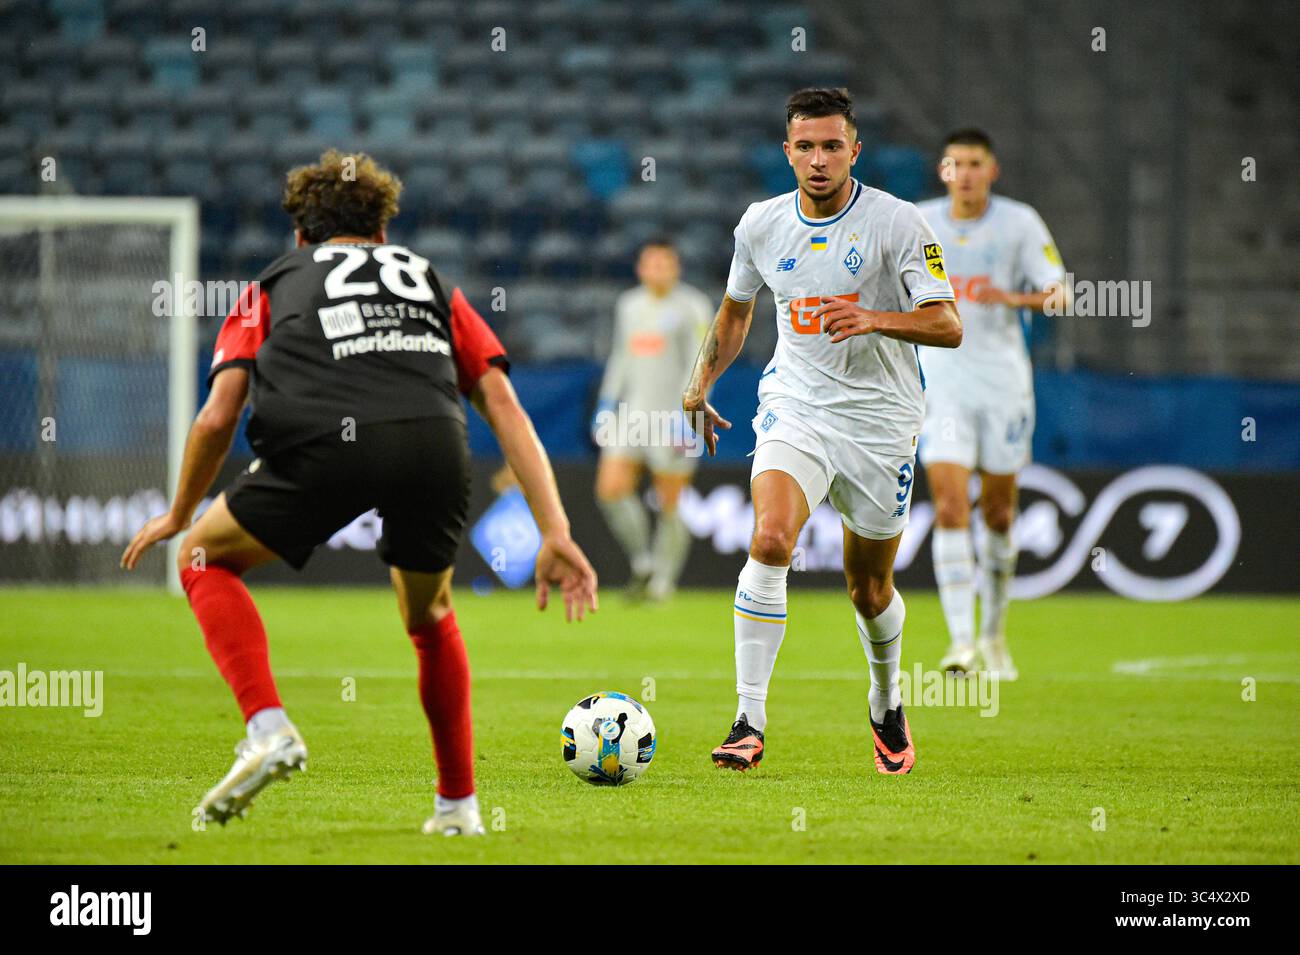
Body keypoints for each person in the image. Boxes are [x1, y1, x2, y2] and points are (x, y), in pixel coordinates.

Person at [121, 150, 598, 836]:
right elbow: (503, 403)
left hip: (322, 439)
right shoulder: (428, 278)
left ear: (299, 235)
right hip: (433, 441)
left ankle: (268, 727)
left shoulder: (274, 281)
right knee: (431, 617)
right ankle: (459, 808)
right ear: (381, 232)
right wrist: (555, 527)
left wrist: (178, 511)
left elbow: (218, 414)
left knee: (202, 555)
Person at [682, 89, 961, 775]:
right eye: (805, 146)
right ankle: (749, 719)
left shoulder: (900, 224)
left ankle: (887, 700)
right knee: (772, 537)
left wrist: (874, 317)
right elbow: (735, 313)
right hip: (796, 405)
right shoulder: (761, 225)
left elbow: (948, 324)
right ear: (787, 151)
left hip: (879, 421)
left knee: (868, 588)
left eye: (832, 145)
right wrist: (699, 382)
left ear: (854, 151)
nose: (818, 159)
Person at [917, 128, 1068, 680]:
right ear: (943, 172)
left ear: (993, 170)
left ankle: (994, 633)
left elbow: (1060, 293)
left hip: (1003, 385)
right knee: (952, 507)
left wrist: (1014, 297)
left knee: (1000, 512)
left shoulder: (1019, 223)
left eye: (976, 163)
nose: (966, 173)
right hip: (942, 384)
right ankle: (960, 644)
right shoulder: (918, 219)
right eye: (955, 163)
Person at [593, 238, 712, 601]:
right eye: (651, 263)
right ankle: (643, 563)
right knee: (610, 490)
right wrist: (607, 402)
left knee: (669, 500)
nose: (658, 270)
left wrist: (688, 414)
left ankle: (663, 582)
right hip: (633, 412)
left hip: (675, 416)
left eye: (665, 263)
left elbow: (703, 364)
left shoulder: (694, 306)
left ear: (676, 267)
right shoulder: (629, 305)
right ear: (640, 268)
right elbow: (621, 356)